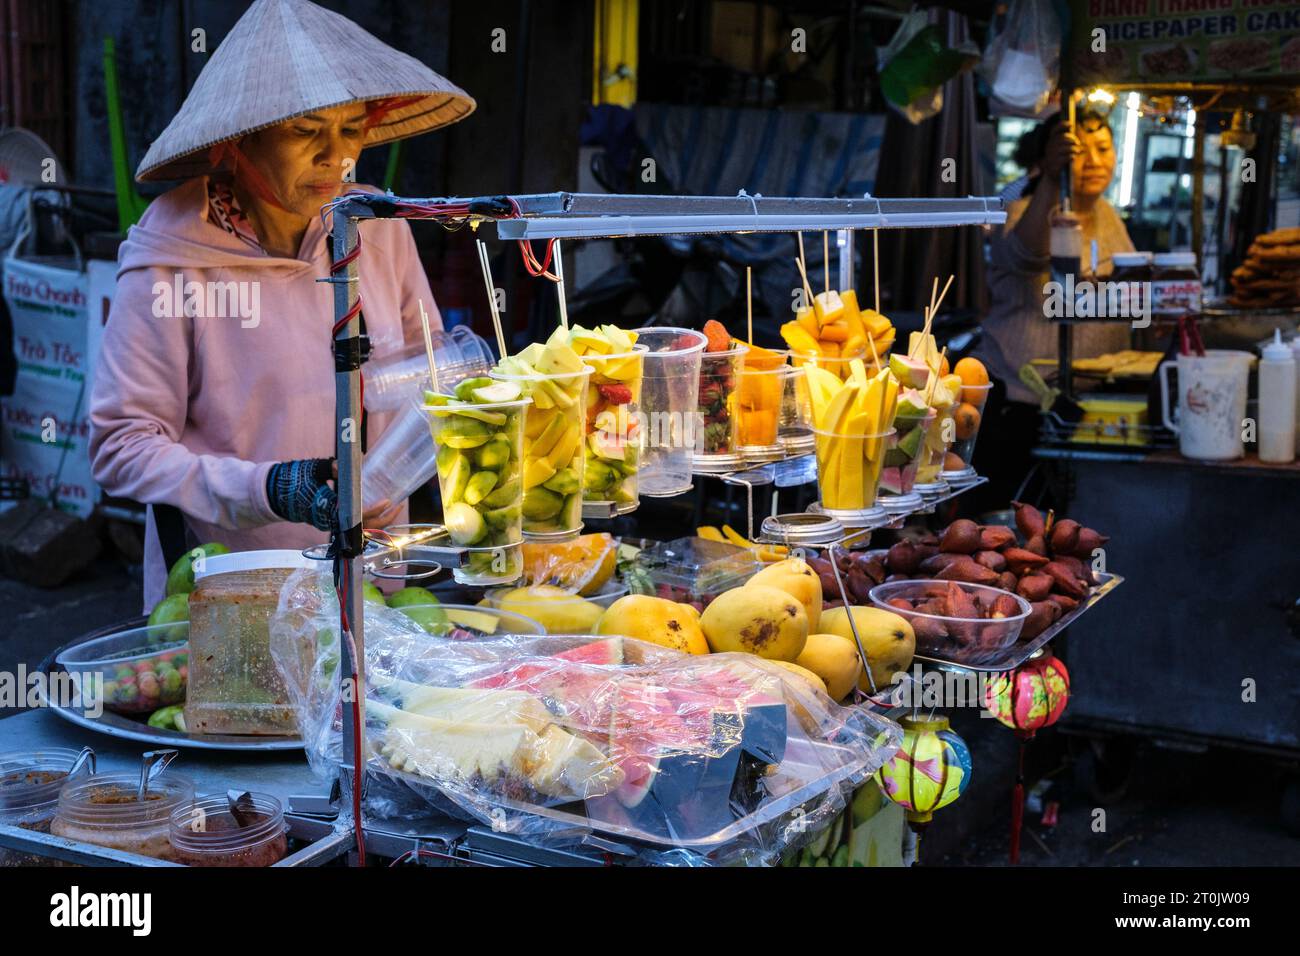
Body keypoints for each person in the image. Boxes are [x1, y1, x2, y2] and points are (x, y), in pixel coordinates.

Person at [89, 0, 475, 609]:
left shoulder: (376, 225)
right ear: (238, 144)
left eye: (351, 130)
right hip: (230, 599)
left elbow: (427, 378)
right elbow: (122, 446)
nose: (337, 157)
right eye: (305, 131)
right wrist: (270, 488)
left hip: (376, 587)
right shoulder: (171, 257)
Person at [972, 108, 1135, 504]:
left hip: (1090, 408)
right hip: (1020, 408)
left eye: (1104, 148)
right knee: (1010, 536)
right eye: (1081, 151)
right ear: (1052, 157)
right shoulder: (1016, 213)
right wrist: (1050, 177)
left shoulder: (1110, 216)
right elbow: (1029, 255)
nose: (1096, 162)